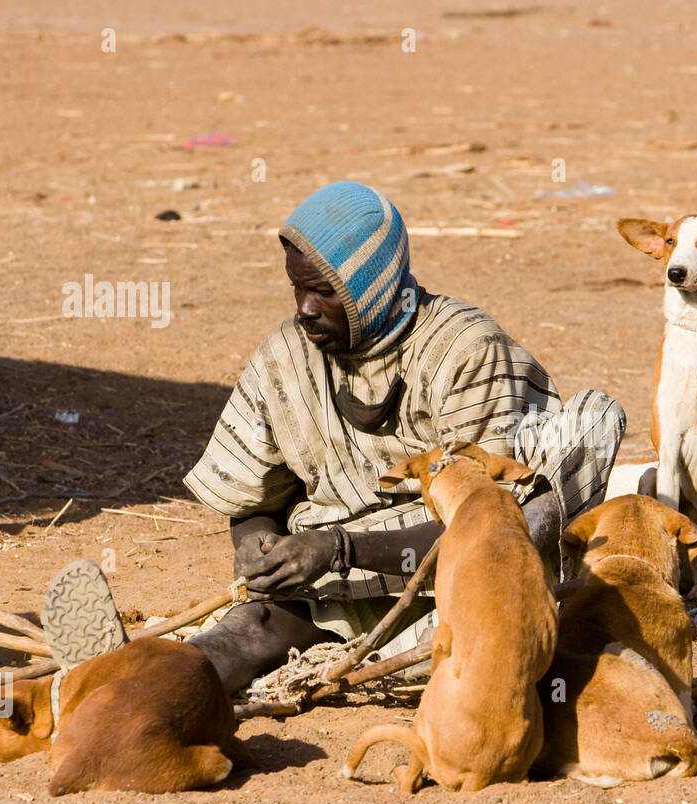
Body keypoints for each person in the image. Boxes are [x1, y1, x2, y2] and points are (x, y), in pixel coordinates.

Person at [180, 181, 625, 691]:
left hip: (460, 576)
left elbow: (489, 526)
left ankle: (381, 663)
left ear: (368, 286)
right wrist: (256, 547)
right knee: (243, 635)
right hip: (327, 586)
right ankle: (134, 684)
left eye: (324, 291)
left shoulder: (464, 349)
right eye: (296, 288)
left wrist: (341, 548)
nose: (304, 307)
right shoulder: (283, 358)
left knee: (475, 647)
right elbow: (254, 495)